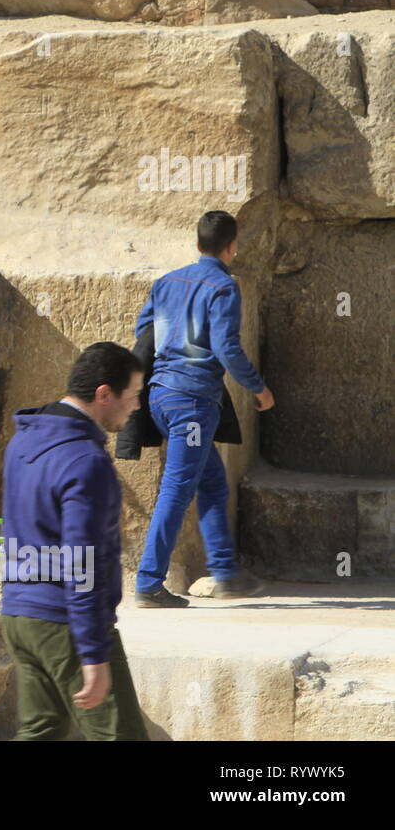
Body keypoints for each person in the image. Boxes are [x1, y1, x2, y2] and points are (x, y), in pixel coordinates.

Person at [0, 342, 149, 741]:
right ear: (104, 394)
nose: (136, 407)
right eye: (133, 396)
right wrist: (93, 651)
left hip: (18, 614)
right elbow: (82, 562)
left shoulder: (22, 442)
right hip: (64, 619)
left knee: (42, 731)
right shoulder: (86, 461)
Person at [133, 211, 273, 608]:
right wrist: (259, 389)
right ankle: (148, 583)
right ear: (232, 247)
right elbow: (226, 347)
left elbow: (143, 332)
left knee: (210, 482)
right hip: (192, 404)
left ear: (197, 245)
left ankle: (226, 575)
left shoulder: (165, 282)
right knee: (175, 491)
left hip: (161, 396)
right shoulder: (224, 287)